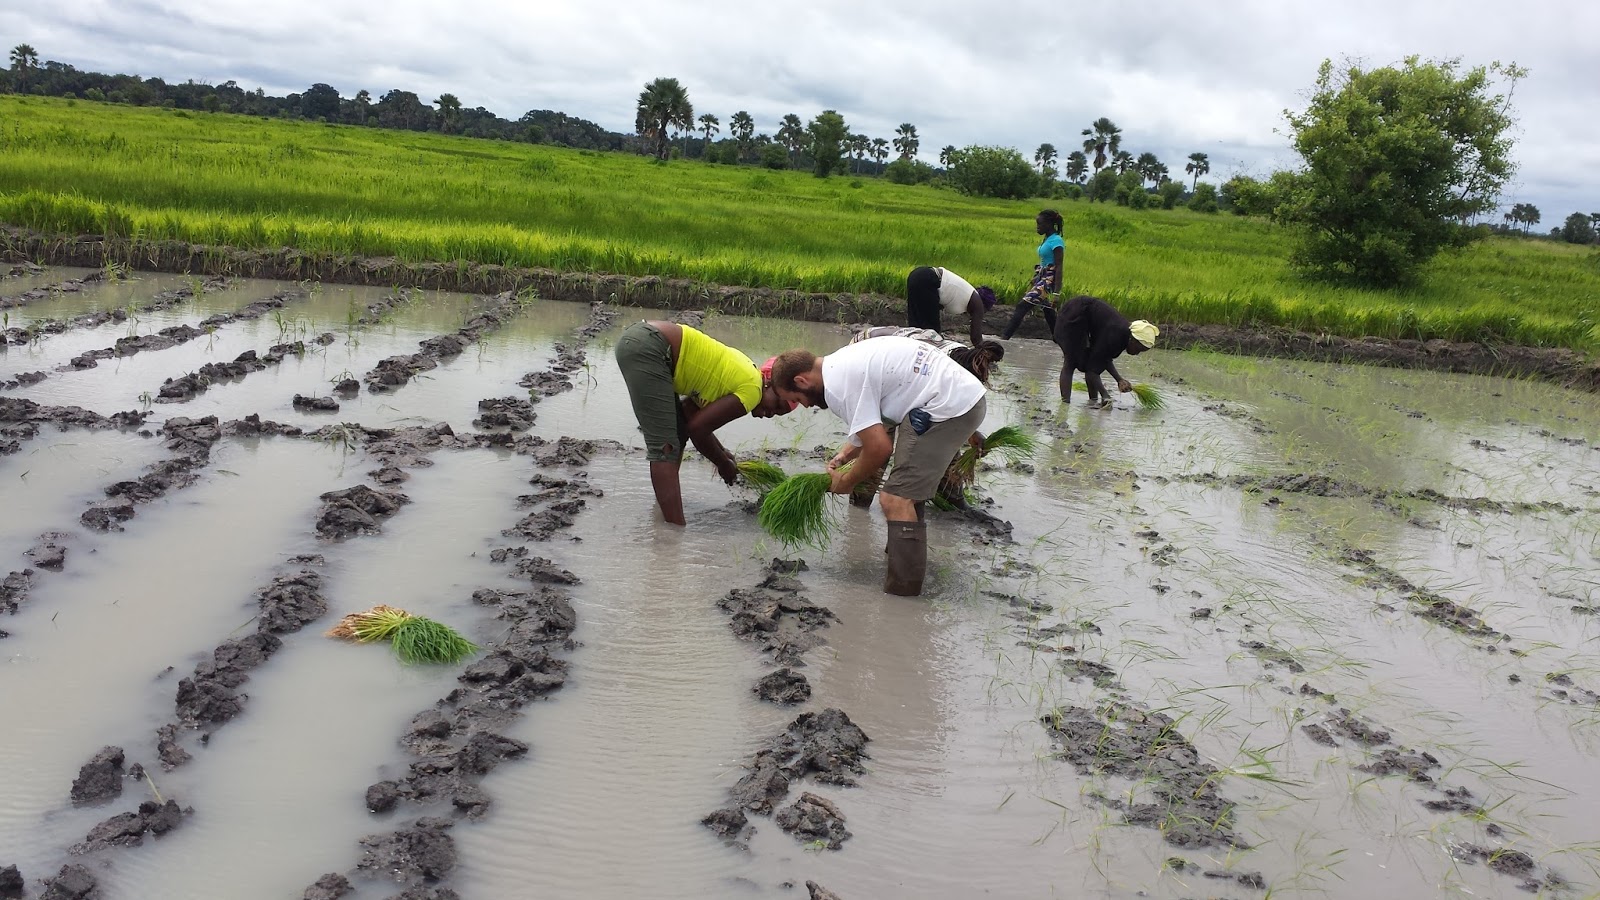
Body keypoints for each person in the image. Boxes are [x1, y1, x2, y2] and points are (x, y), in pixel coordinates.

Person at [771, 337, 987, 596]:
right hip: (948, 398)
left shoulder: (839, 386)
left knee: (896, 498)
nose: (805, 406)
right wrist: (846, 455)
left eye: (797, 399)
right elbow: (876, 421)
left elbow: (880, 448)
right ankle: (903, 564)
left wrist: (846, 481)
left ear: (801, 381)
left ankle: (903, 596)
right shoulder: (840, 363)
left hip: (948, 408)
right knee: (906, 492)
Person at [615, 320, 793, 525]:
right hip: (650, 349)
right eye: (778, 405)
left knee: (677, 433)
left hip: (644, 340)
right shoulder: (752, 391)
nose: (772, 414)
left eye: (779, 414)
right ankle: (672, 537)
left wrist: (722, 451)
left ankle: (664, 513)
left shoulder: (745, 375)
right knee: (665, 448)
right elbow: (698, 430)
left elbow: (690, 417)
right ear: (770, 382)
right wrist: (722, 463)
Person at [1053, 295, 1159, 408]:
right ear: (1133, 339)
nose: (1137, 353)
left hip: (1082, 318)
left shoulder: (1123, 335)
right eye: (1139, 349)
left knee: (1089, 362)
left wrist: (1119, 380)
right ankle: (1065, 406)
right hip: (1073, 319)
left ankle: (1092, 401)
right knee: (1071, 362)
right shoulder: (1115, 336)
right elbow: (1092, 371)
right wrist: (1106, 395)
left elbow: (1103, 359)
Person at [1002, 209, 1065, 339]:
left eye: (1040, 224)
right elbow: (1044, 262)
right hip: (1042, 278)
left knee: (1022, 306)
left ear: (1048, 224)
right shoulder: (1048, 239)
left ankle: (1004, 339)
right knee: (1048, 311)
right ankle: (1059, 340)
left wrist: (1057, 292)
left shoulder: (1056, 241)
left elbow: (1059, 266)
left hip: (1048, 281)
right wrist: (1036, 278)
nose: (1037, 227)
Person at [904, 266, 997, 346]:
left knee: (916, 328)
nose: (983, 313)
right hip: (928, 279)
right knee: (931, 333)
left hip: (917, 275)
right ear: (985, 305)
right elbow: (976, 339)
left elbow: (933, 306)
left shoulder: (967, 297)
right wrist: (984, 355)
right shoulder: (978, 304)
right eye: (985, 310)